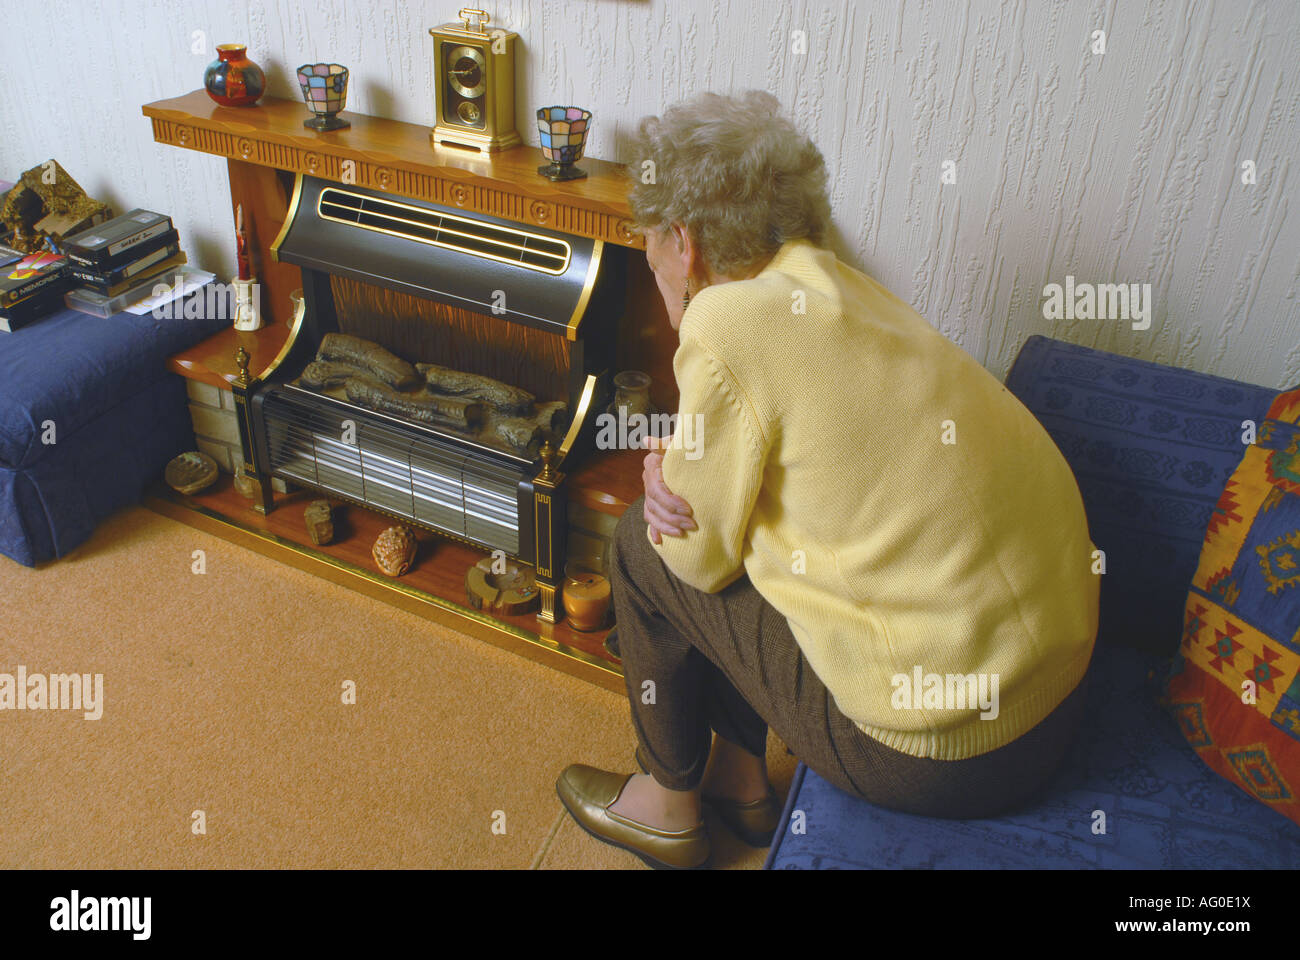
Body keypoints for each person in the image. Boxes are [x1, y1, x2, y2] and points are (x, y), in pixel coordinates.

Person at [556, 90, 1099, 869]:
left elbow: (696, 559)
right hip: (1055, 695)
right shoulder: (838, 287)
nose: (655, 273)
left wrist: (667, 481)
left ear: (686, 241)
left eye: (649, 250)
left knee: (644, 547)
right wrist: (701, 469)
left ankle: (665, 803)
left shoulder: (725, 322)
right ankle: (741, 782)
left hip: (950, 755)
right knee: (762, 537)